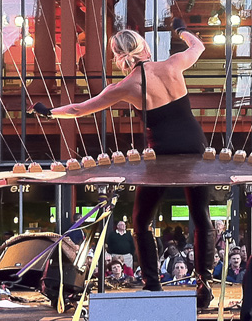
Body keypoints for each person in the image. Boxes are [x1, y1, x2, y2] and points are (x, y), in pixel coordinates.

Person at [35, 22, 215, 309]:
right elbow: (199, 47)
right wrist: (181, 30)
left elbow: (80, 109)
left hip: (162, 154)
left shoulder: (126, 86)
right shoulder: (172, 64)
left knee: (141, 223)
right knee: (201, 217)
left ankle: (153, 288)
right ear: (143, 47)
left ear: (119, 57)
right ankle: (204, 286)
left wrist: (49, 114)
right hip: (195, 144)